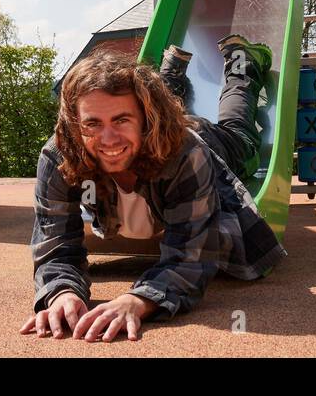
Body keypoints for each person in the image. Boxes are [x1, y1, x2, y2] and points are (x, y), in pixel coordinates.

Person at [19, 34, 289, 343]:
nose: (108, 139)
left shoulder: (186, 154)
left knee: (239, 134)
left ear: (146, 121)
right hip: (163, 116)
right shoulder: (61, 154)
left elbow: (192, 258)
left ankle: (243, 67)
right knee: (146, 107)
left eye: (121, 120)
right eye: (92, 124)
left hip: (209, 141)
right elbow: (55, 246)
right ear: (74, 123)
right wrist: (62, 293)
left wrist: (138, 300)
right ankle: (169, 76)